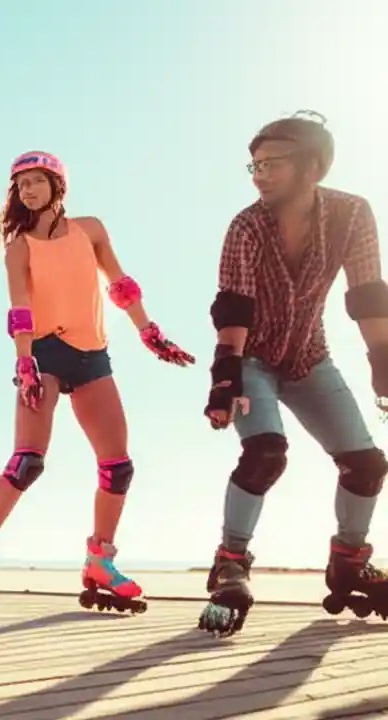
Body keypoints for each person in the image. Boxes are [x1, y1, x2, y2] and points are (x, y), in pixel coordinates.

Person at [0, 151, 195, 620]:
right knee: (27, 462)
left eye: (37, 181)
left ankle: (101, 563)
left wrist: (149, 332)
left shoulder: (90, 230)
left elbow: (120, 285)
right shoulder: (19, 247)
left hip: (92, 354)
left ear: (58, 185)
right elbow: (20, 309)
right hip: (44, 354)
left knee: (118, 467)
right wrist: (25, 363)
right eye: (21, 185)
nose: (28, 190)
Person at [198, 111, 388, 636]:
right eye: (254, 165)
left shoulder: (352, 214)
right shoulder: (246, 225)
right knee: (265, 453)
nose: (259, 175)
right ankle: (230, 562)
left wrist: (382, 361)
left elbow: (367, 293)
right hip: (250, 358)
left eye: (272, 164)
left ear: (313, 167)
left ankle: (349, 561)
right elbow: (234, 306)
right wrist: (225, 378)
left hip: (309, 358)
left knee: (366, 464)